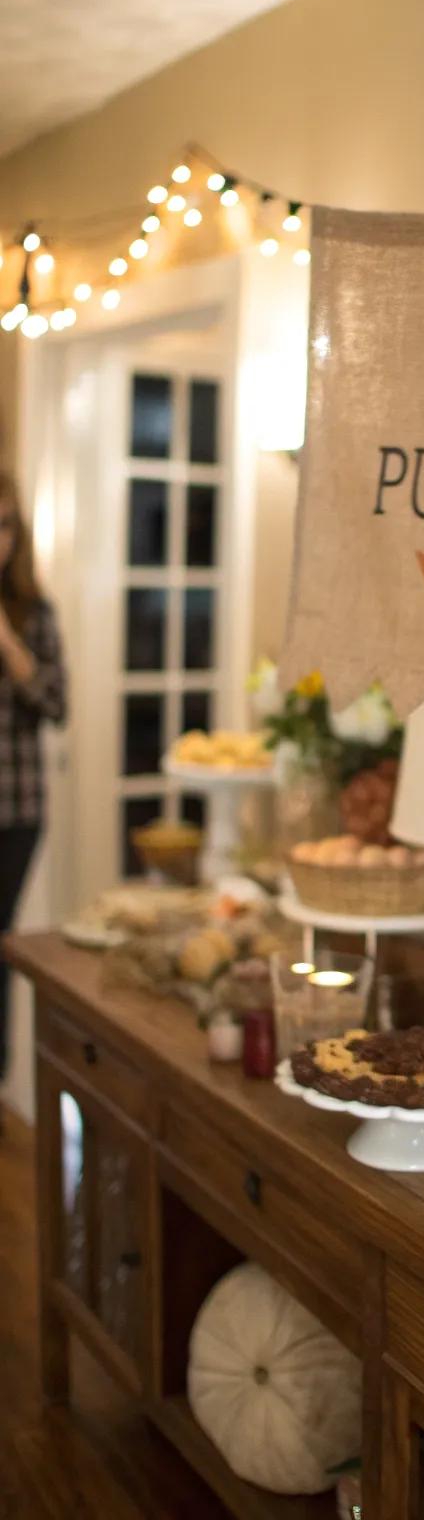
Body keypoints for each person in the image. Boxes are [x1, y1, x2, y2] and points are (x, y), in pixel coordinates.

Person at [0, 471, 66, 1101]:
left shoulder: (33, 613)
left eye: (4, 524)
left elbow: (55, 703)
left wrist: (8, 643)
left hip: (15, 812)